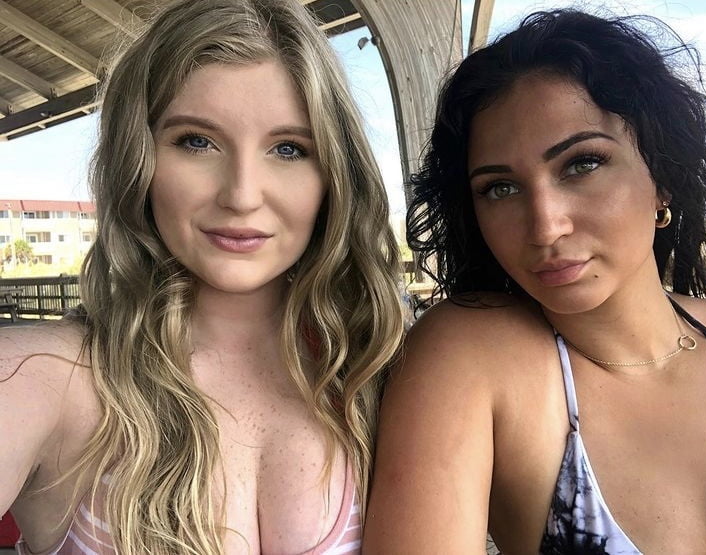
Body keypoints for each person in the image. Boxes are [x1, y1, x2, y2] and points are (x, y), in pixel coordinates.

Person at [0, 0, 404, 553]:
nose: (241, 194)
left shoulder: (379, 370)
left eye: (288, 149)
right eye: (196, 141)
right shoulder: (45, 377)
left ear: (334, 175)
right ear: (137, 160)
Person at [364, 9, 706, 554]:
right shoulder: (475, 357)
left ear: (662, 177)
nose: (545, 226)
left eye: (581, 164)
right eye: (500, 188)